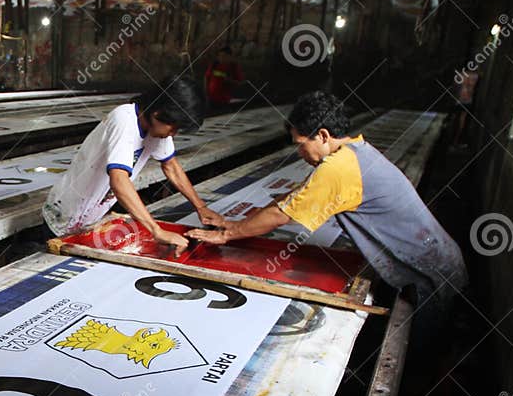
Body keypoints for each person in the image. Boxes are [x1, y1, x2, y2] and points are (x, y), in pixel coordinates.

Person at [188, 91, 467, 340]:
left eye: (300, 143)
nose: (299, 152)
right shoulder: (353, 152)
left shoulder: (338, 168)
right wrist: (230, 222)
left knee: (419, 349)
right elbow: (294, 197)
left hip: (431, 275)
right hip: (436, 260)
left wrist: (225, 236)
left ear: (322, 135)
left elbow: (281, 215)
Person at [42, 76, 221, 256]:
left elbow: (171, 166)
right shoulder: (124, 120)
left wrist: (201, 207)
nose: (173, 134)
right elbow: (119, 181)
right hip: (63, 215)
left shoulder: (157, 128)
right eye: (173, 128)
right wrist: (156, 230)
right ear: (157, 114)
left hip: (91, 216)